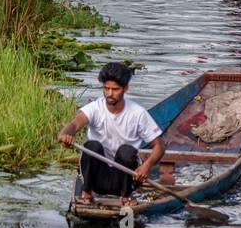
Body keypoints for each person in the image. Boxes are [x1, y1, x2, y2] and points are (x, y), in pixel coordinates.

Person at [58, 62, 165, 205]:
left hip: (125, 178)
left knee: (126, 151)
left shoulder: (138, 113)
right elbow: (74, 124)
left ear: (125, 88)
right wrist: (66, 135)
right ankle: (87, 193)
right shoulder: (95, 108)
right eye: (106, 88)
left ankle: (126, 196)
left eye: (115, 89)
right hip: (97, 178)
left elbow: (159, 146)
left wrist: (146, 166)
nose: (109, 94)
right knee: (92, 146)